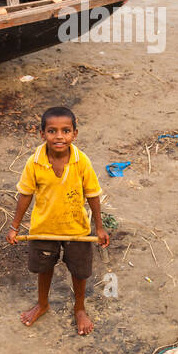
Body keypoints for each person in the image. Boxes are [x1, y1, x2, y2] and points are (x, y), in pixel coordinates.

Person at [7, 106, 108, 335]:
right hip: (44, 229)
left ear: (75, 133)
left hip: (77, 229)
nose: (59, 136)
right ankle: (43, 303)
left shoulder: (82, 162)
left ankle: (79, 308)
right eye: (52, 131)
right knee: (44, 268)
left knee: (80, 272)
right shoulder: (34, 162)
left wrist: (99, 228)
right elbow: (25, 194)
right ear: (42, 134)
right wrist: (14, 227)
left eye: (65, 130)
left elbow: (92, 194)